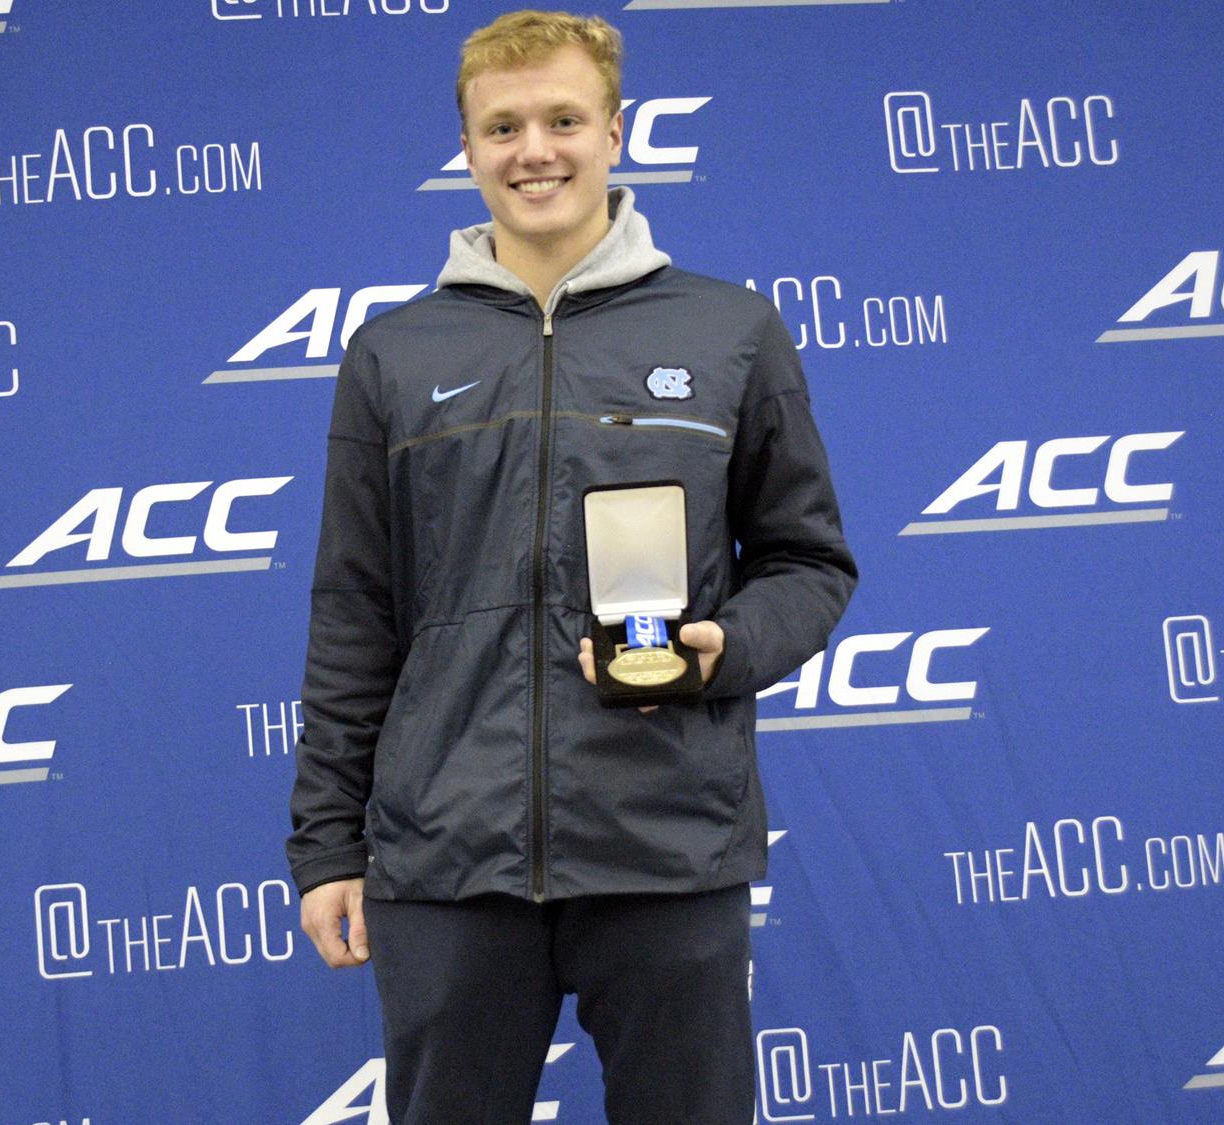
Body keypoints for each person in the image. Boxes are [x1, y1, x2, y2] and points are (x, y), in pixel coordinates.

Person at [286, 11, 856, 1122]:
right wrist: (325, 846)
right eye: (502, 126)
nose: (532, 150)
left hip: (663, 842)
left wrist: (728, 648)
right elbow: (354, 612)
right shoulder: (394, 355)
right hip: (448, 856)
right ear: (465, 144)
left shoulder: (728, 330)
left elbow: (805, 560)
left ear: (615, 132)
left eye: (561, 119)